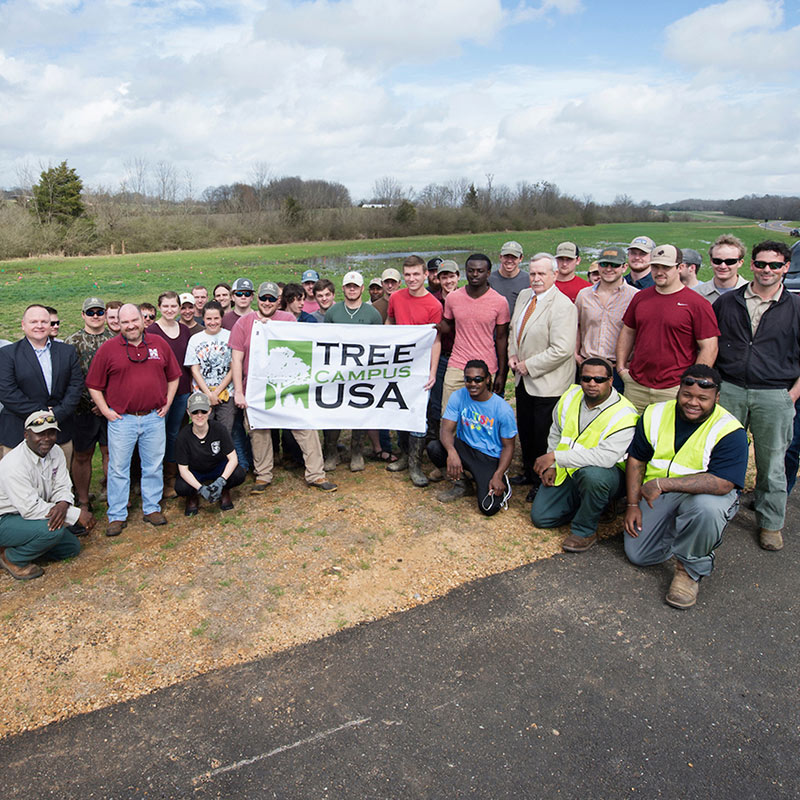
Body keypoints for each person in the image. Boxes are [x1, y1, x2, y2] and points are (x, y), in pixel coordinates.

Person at [623, 365, 748, 609]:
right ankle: (685, 532)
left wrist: (662, 483)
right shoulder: (654, 413)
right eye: (687, 395)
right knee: (639, 555)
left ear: (717, 398)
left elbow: (723, 483)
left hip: (706, 495)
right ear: (678, 391)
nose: (693, 403)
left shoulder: (729, 429)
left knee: (706, 509)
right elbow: (636, 459)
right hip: (662, 495)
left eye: (703, 398)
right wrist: (631, 504)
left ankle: (689, 570)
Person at [713, 240, 798, 551]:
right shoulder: (728, 302)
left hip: (774, 394)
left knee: (772, 462)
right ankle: (717, 513)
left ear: (786, 268)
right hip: (731, 389)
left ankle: (771, 523)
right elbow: (711, 345)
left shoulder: (796, 307)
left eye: (775, 265)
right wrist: (714, 389)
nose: (767, 270)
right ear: (752, 265)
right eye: (761, 264)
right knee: (721, 456)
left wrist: (791, 395)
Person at [230, 281, 336, 493]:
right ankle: (263, 474)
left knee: (305, 427)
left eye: (271, 299)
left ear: (278, 301)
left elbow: (301, 348)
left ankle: (316, 473)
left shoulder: (287, 320)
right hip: (256, 389)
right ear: (257, 299)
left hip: (287, 386)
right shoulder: (244, 323)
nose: (267, 303)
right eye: (263, 298)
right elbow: (236, 359)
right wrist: (239, 392)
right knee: (258, 432)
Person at [86, 303, 181, 536]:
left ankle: (152, 507)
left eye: (134, 321)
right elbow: (93, 385)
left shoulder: (159, 344)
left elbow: (174, 376)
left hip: (153, 417)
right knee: (119, 468)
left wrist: (168, 402)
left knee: (153, 465)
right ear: (119, 323)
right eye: (125, 322)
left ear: (142, 320)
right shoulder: (108, 349)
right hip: (122, 420)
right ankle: (117, 514)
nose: (130, 326)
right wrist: (106, 411)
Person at [530, 358, 638, 552]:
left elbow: (605, 458)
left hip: (607, 474)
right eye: (586, 378)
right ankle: (594, 504)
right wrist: (553, 465)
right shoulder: (571, 396)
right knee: (542, 518)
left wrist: (556, 457)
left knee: (593, 477)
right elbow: (556, 430)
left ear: (611, 381)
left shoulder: (625, 414)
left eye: (599, 379)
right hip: (570, 469)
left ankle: (584, 530)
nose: (592, 384)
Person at [616, 245, 719, 413]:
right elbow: (628, 331)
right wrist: (621, 368)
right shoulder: (640, 298)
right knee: (632, 434)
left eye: (666, 267)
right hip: (636, 386)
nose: (659, 272)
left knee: (668, 436)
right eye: (655, 266)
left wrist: (692, 382)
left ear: (680, 268)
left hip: (674, 389)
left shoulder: (697, 304)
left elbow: (709, 347)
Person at [507, 253, 577, 500]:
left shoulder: (563, 306)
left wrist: (529, 365)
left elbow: (563, 349)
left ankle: (542, 479)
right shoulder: (526, 296)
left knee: (543, 434)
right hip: (523, 378)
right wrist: (512, 355)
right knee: (525, 428)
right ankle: (528, 472)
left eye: (541, 274)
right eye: (533, 273)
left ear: (555, 275)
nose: (535, 279)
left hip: (549, 384)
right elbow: (515, 329)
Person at [0, 411, 95, 581]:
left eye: (51, 433)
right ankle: (11, 557)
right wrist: (75, 513)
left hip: (32, 514)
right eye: (39, 434)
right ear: (26, 434)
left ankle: (22, 543)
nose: (46, 438)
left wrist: (63, 503)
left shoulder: (55, 451)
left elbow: (63, 485)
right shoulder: (13, 464)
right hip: (6, 518)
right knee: (52, 532)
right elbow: (30, 509)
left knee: (71, 548)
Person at [426, 360, 516, 515]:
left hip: (489, 457)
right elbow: (446, 430)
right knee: (434, 448)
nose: (472, 384)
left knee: (488, 508)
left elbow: (509, 446)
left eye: (478, 379)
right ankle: (463, 485)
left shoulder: (502, 409)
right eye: (468, 379)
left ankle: (500, 481)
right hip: (466, 448)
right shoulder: (458, 396)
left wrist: (498, 474)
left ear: (487, 379)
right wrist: (452, 452)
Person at [0, 304, 84, 464]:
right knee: (18, 486)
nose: (39, 326)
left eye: (44, 322)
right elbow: (7, 392)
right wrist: (44, 413)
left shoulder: (67, 352)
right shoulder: (7, 354)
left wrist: (58, 413)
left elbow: (75, 387)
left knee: (58, 483)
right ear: (23, 325)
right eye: (34, 322)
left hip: (60, 432)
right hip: (19, 433)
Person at [385, 256, 442, 486]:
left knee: (418, 414)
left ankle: (416, 464)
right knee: (399, 409)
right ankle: (405, 455)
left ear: (425, 275)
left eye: (416, 274)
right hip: (398, 366)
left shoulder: (434, 305)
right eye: (407, 275)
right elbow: (390, 321)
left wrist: (433, 371)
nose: (411, 279)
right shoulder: (396, 297)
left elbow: (436, 340)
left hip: (420, 367)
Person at [322, 271, 383, 471]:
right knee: (333, 410)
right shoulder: (333, 312)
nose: (352, 289)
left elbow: (379, 343)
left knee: (360, 410)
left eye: (355, 286)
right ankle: (331, 452)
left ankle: (357, 451)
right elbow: (325, 342)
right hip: (337, 372)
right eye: (349, 286)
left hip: (361, 373)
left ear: (362, 289)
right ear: (343, 288)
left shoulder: (372, 313)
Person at [439, 253, 509, 414]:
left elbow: (501, 338)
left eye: (480, 271)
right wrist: (428, 328)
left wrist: (501, 374)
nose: (475, 275)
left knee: (482, 417)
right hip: (457, 363)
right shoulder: (453, 298)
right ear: (465, 272)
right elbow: (447, 325)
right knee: (449, 414)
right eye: (471, 271)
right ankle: (450, 440)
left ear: (488, 273)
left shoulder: (500, 302)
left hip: (486, 365)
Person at [64, 297, 115, 510]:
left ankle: (114, 495)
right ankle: (83, 500)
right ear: (83, 315)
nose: (96, 316)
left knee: (109, 453)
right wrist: (92, 401)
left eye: (99, 312)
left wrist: (105, 403)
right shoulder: (72, 342)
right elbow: (69, 377)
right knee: (82, 455)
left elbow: (120, 377)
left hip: (110, 409)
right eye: (91, 312)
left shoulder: (115, 339)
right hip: (82, 409)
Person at [146, 291, 193, 498]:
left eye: (174, 306)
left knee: (175, 434)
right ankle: (156, 480)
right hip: (160, 394)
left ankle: (172, 476)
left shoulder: (184, 330)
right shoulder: (152, 332)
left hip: (182, 391)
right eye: (165, 306)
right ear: (159, 307)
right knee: (157, 437)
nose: (170, 310)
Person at [574, 246, 638, 392]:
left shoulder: (635, 297)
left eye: (614, 265)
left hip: (618, 369)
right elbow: (576, 326)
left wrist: (626, 365)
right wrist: (576, 355)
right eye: (604, 264)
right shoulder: (584, 295)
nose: (609, 269)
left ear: (624, 267)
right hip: (588, 366)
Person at [175, 392, 246, 516]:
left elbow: (233, 458)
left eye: (203, 411)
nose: (199, 415)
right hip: (195, 471)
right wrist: (200, 488)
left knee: (238, 473)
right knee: (181, 487)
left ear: (209, 411)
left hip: (217, 467)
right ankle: (193, 496)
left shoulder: (219, 429)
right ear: (188, 412)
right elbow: (183, 470)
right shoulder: (183, 436)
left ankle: (224, 490)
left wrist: (221, 481)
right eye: (195, 412)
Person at [184, 300, 234, 432]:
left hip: (226, 394)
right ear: (203, 319)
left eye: (216, 318)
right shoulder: (195, 339)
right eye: (209, 319)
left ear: (221, 318)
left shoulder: (230, 336)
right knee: (203, 431)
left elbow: (233, 368)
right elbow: (195, 370)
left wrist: (217, 392)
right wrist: (208, 394)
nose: (213, 322)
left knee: (225, 431)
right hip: (202, 394)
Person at [695, 234, 748, 302]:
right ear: (711, 261)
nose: (723, 266)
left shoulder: (751, 293)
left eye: (730, 261)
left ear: (740, 262)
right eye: (717, 261)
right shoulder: (697, 294)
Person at [488, 240, 529, 315]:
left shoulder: (529, 280)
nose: (509, 261)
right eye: (506, 256)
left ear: (521, 259)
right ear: (500, 257)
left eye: (514, 257)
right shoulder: (488, 280)